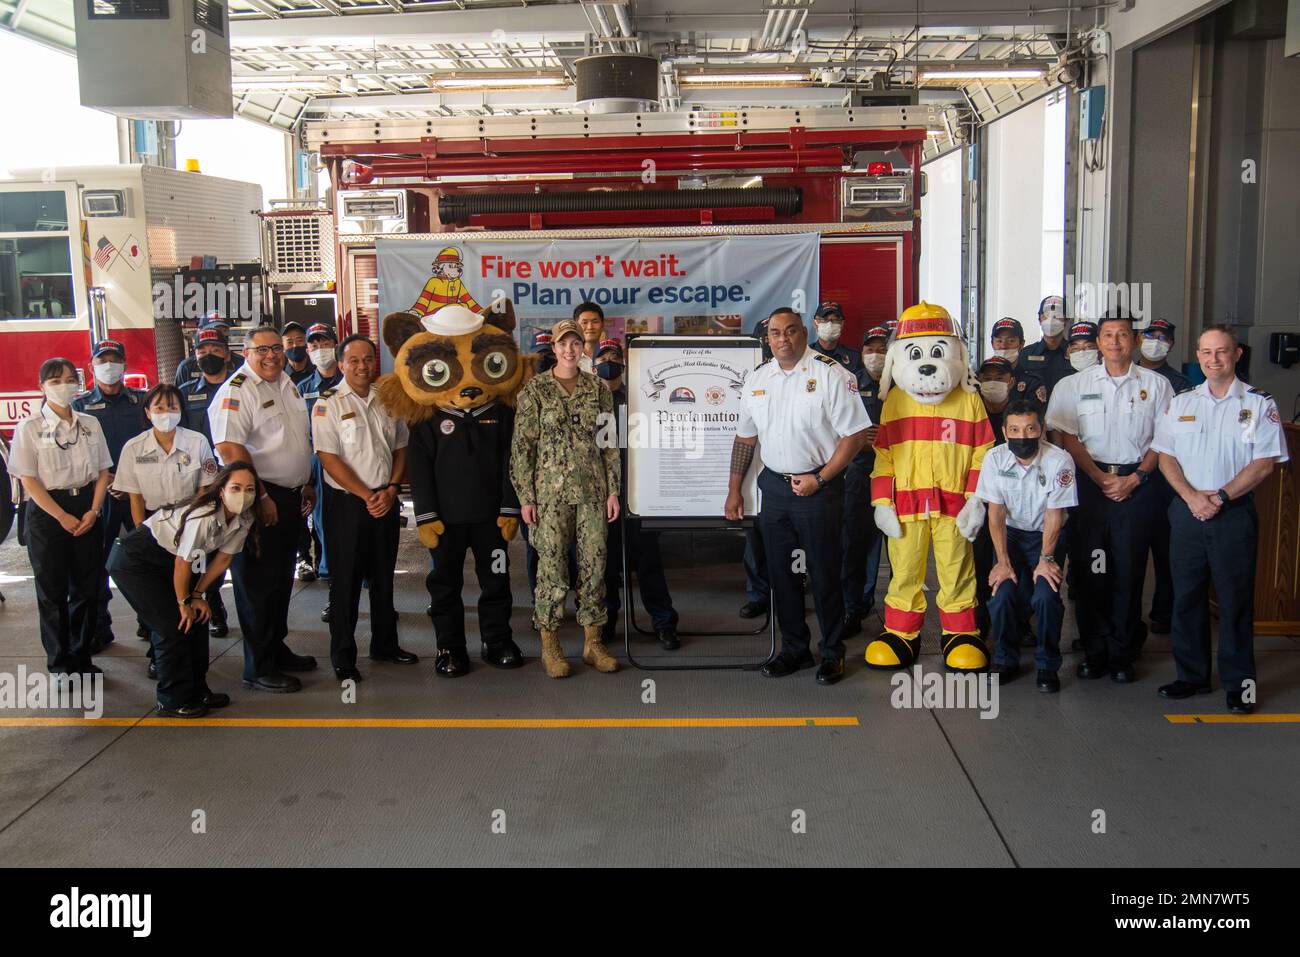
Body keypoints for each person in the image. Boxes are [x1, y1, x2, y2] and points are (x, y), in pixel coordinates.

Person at [725, 307, 871, 685]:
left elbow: (854, 436)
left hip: (818, 489)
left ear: (803, 333)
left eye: (790, 331)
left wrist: (820, 479)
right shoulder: (758, 379)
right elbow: (745, 437)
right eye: (775, 333)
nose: (782, 339)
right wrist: (733, 489)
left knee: (823, 573)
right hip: (774, 487)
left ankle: (832, 652)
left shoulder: (830, 374)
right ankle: (794, 649)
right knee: (782, 575)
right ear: (767, 337)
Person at [1152, 325, 1288, 714]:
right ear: (1198, 356)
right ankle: (1191, 675)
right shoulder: (1181, 403)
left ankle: (1240, 686)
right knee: (1187, 597)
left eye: (1222, 352)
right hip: (1188, 511)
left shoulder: (1261, 404)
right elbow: (1165, 456)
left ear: (1237, 355)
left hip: (1233, 514)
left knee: (1235, 602)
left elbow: (1265, 463)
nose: (1214, 360)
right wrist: (1192, 497)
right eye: (1206, 353)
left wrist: (1222, 496)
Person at [1045, 311, 1172, 683]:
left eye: (1122, 335)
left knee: (1129, 571)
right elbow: (1066, 437)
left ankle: (1122, 652)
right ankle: (1095, 649)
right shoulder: (1072, 385)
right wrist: (1100, 478)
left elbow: (1163, 440)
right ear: (1097, 342)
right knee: (1089, 572)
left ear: (1133, 341)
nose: (1115, 342)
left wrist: (1136, 478)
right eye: (1107, 335)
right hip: (1090, 487)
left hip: (1138, 486)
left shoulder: (1157, 384)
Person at [511, 317, 621, 678]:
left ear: (582, 347)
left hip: (591, 493)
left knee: (594, 567)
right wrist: (526, 498)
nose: (570, 349)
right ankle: (551, 646)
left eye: (575, 343)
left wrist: (613, 490)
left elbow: (608, 446)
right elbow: (522, 448)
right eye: (563, 344)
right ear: (554, 348)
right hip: (549, 497)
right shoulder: (535, 391)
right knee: (552, 570)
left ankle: (593, 643)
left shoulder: (598, 389)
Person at [209, 325, 317, 692]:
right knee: (256, 581)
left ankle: (275, 646)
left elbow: (292, 441)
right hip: (258, 496)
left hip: (288, 494)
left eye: (276, 348)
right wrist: (264, 498)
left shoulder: (283, 383)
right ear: (245, 352)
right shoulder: (237, 392)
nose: (271, 355)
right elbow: (229, 449)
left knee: (279, 578)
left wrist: (303, 482)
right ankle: (257, 665)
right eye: (262, 350)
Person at [105, 462, 259, 717]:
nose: (244, 494)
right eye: (236, 487)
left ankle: (197, 690)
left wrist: (198, 596)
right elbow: (182, 562)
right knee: (173, 625)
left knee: (198, 620)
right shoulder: (204, 515)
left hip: (170, 561)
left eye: (250, 488)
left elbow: (223, 560)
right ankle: (172, 698)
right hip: (136, 561)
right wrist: (183, 602)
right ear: (221, 490)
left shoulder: (245, 517)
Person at [313, 335, 415, 683]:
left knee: (384, 577)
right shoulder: (327, 404)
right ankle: (343, 657)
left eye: (367, 359)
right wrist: (366, 494)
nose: (362, 366)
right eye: (353, 360)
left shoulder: (387, 400)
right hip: (348, 505)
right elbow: (327, 457)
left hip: (385, 500)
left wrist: (390, 489)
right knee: (346, 583)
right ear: (341, 364)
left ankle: (385, 645)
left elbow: (401, 447)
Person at [11, 358, 114, 674]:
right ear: (42, 386)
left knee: (86, 588)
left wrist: (93, 511)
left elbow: (102, 472)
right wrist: (61, 517)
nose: (64, 386)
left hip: (86, 506)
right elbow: (28, 479)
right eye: (55, 381)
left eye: (70, 379)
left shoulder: (89, 424)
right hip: (47, 512)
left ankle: (81, 657)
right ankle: (59, 662)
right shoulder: (29, 428)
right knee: (52, 591)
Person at [113, 384, 221, 677]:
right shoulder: (134, 447)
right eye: (158, 408)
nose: (166, 413)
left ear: (181, 410)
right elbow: (134, 495)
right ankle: (159, 654)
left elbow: (206, 486)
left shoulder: (197, 441)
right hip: (151, 527)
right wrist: (140, 532)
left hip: (191, 523)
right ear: (147, 413)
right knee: (158, 596)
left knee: (191, 588)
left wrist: (194, 522)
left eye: (172, 407)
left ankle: (194, 657)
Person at [975, 400, 1077, 692]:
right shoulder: (994, 459)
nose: (1023, 437)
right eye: (1016, 430)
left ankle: (1047, 664)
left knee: (1045, 594)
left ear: (1041, 430)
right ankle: (1005, 658)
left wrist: (1046, 559)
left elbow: (1055, 514)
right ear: (1005, 433)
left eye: (1030, 429)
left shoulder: (1059, 461)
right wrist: (1002, 561)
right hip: (1011, 536)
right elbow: (995, 512)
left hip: (1047, 535)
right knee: (1003, 591)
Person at [595, 338, 681, 651]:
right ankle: (606, 624)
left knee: (648, 563)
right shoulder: (585, 400)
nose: (609, 361)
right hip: (601, 497)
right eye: (603, 356)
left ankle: (663, 622)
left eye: (614, 356)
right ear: (593, 364)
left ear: (624, 362)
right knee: (604, 564)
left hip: (638, 495)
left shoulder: (639, 398)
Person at [73, 339, 147, 650]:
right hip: (100, 493)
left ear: (124, 364)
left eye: (115, 359)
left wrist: (130, 478)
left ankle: (150, 621)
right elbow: (76, 451)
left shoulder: (140, 401)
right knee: (96, 564)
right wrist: (107, 479)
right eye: (103, 360)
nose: (109, 365)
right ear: (92, 366)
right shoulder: (79, 406)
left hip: (138, 492)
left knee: (145, 557)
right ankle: (100, 627)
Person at [1135, 317, 1191, 635]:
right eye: (1150, 335)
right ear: (1140, 339)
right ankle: (1128, 614)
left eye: (1163, 337)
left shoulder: (1180, 384)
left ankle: (1164, 611)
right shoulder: (1127, 375)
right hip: (1133, 474)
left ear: (1170, 343)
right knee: (1130, 550)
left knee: (1166, 547)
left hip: (1167, 478)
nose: (1156, 341)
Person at [842, 325, 888, 635]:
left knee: (899, 552)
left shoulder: (903, 384)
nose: (876, 355)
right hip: (858, 474)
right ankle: (854, 609)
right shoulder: (849, 383)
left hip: (897, 476)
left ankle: (898, 614)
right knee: (856, 546)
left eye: (882, 349)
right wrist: (860, 439)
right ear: (861, 353)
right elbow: (834, 426)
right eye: (870, 350)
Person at [298, 323, 343, 592]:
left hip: (352, 461)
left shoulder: (350, 380)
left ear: (335, 346)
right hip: (317, 463)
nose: (319, 350)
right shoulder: (301, 389)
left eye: (325, 344)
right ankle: (332, 585)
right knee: (323, 525)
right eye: (314, 346)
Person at [739, 313, 774, 619]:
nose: (767, 345)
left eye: (770, 338)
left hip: (783, 469)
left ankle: (788, 591)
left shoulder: (799, 373)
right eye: (762, 339)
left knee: (788, 541)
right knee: (755, 538)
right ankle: (758, 593)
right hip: (752, 465)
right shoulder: (749, 375)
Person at [1017, 295, 1073, 397]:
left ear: (1067, 320)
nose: (1051, 319)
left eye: (1057, 314)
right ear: (1039, 319)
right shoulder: (1026, 354)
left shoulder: (1074, 353)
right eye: (1046, 314)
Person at [989, 317, 1048, 407]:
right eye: (999, 341)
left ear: (1021, 344)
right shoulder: (981, 378)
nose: (1004, 346)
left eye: (1011, 341)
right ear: (992, 344)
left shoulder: (1032, 382)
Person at [175, 315, 241, 386]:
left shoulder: (241, 363)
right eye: (214, 329)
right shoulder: (186, 368)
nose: (220, 334)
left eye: (224, 330)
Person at [809, 301, 864, 376]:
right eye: (825, 319)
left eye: (835, 320)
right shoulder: (806, 355)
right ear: (815, 323)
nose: (830, 324)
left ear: (842, 324)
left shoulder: (854, 357)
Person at [976, 356, 1017, 443]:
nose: (993, 383)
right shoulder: (973, 409)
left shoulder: (1018, 411)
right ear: (979, 381)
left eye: (999, 378)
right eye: (987, 378)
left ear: (1012, 382)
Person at [573, 302, 605, 374]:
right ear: (576, 326)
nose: (590, 327)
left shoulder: (611, 356)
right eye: (584, 322)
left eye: (595, 322)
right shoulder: (569, 357)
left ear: (602, 325)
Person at [281, 321, 315, 387]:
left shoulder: (318, 370)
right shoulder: (278, 375)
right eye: (290, 342)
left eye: (299, 340)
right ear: (282, 346)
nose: (295, 345)